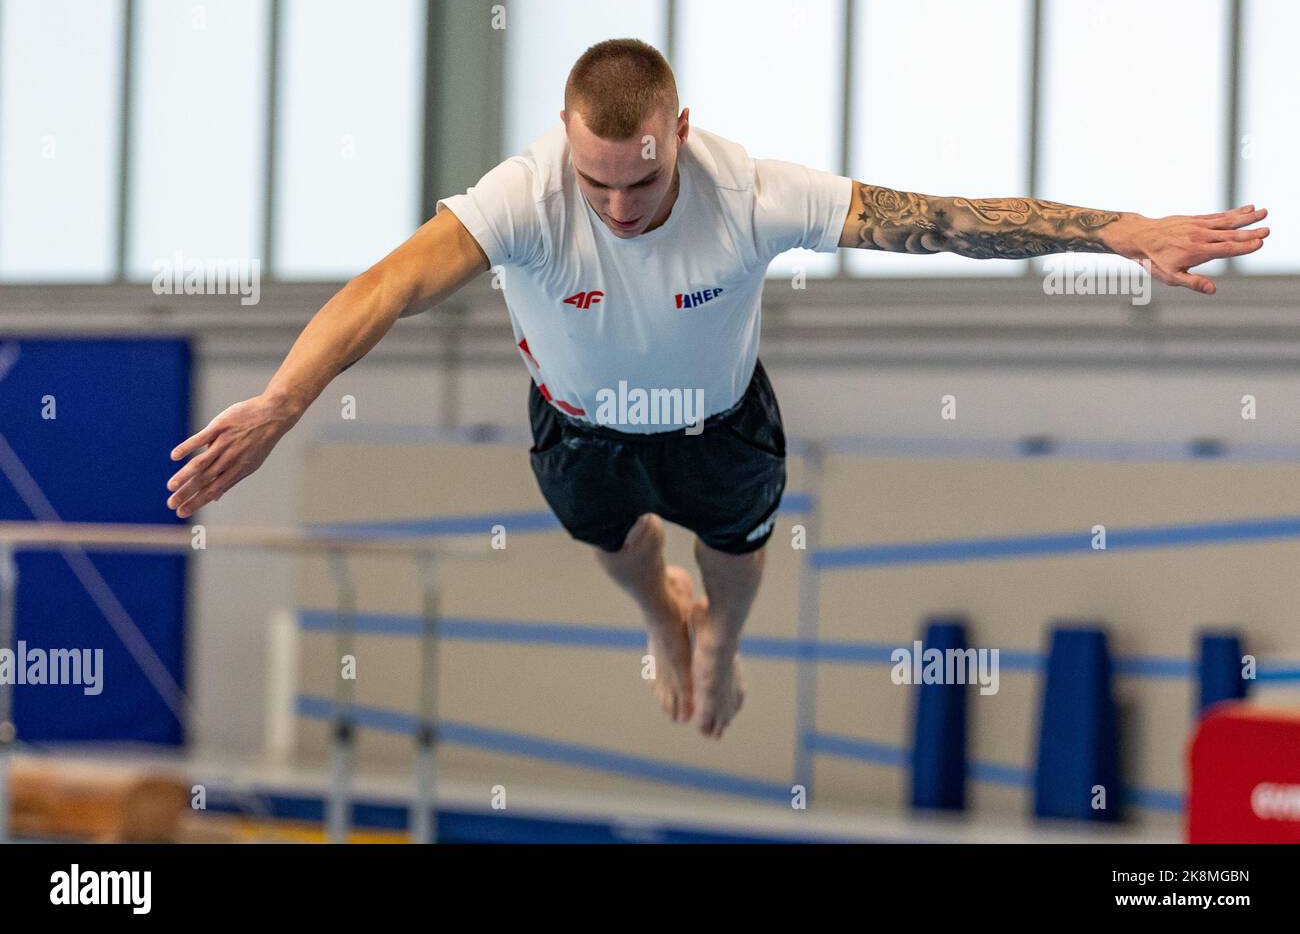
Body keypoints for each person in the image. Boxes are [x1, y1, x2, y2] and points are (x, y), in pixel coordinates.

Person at [166, 38, 1270, 739]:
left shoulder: (747, 191)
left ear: (678, 133)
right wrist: (283, 399)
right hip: (579, 430)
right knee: (622, 554)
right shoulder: (524, 195)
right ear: (564, 142)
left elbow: (941, 220)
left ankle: (717, 641)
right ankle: (661, 619)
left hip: (720, 424)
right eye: (595, 181)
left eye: (642, 178)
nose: (618, 205)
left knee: (732, 574)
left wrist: (1115, 230)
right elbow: (386, 288)